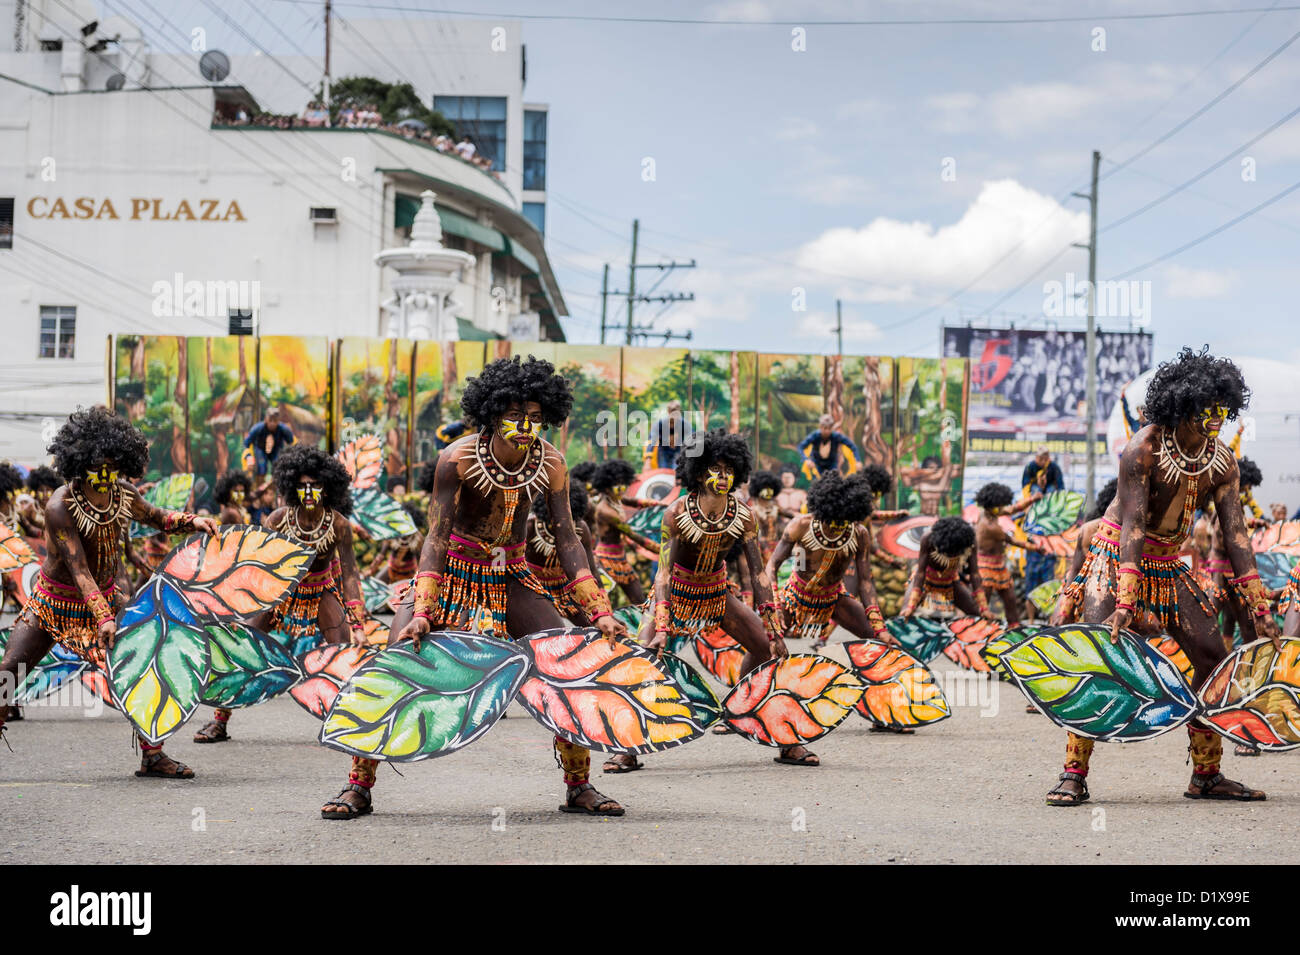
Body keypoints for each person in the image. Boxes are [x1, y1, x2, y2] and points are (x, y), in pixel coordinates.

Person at [326, 356, 626, 820]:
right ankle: (357, 786)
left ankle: (579, 786)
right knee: (394, 664)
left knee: (567, 669)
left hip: (513, 578)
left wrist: (598, 608)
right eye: (513, 415)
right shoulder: (458, 459)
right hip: (452, 576)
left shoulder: (551, 463)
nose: (526, 426)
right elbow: (437, 538)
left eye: (534, 416)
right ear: (490, 413)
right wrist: (423, 607)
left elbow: (567, 538)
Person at [1045, 348, 1278, 808]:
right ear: (1181, 405)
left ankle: (1206, 774)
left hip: (1170, 566)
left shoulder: (1222, 464)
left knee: (1213, 657)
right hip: (1117, 559)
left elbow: (1236, 537)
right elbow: (1132, 525)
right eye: (1205, 408)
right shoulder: (1143, 449)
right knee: (1100, 656)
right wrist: (1126, 600)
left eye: (1222, 409)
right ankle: (1073, 774)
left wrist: (1260, 606)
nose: (1215, 418)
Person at [0, 407, 217, 776]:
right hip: (53, 605)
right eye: (98, 466)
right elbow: (79, 569)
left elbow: (155, 516)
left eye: (112, 467)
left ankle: (153, 754)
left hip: (105, 599)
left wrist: (192, 521)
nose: (105, 475)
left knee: (143, 669)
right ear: (79, 463)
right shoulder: (60, 506)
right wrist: (104, 617)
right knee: (9, 672)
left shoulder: (123, 494)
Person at [618, 428, 815, 768]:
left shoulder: (743, 515)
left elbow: (758, 573)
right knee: (641, 661)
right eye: (714, 468)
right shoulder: (676, 514)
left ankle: (779, 735)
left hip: (717, 593)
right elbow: (663, 574)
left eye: (728, 469)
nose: (722, 476)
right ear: (697, 471)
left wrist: (773, 625)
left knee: (768, 650)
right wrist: (662, 625)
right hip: (676, 593)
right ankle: (628, 749)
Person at [194, 447, 367, 745]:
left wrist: (359, 621)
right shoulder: (276, 520)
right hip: (281, 592)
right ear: (291, 487)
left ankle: (347, 722)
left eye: (315, 485)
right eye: (302, 485)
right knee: (242, 647)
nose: (309, 491)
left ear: (328, 488)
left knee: (343, 652)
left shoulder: (338, 524)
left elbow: (350, 575)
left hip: (319, 590)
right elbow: (259, 567)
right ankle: (219, 720)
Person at [766, 471, 893, 651]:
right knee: (763, 643)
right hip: (794, 596)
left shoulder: (859, 534)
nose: (838, 527)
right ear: (824, 510)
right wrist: (774, 606)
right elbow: (772, 566)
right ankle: (744, 679)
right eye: (833, 521)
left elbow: (865, 581)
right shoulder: (801, 525)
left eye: (844, 522)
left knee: (881, 642)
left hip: (834, 598)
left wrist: (879, 627)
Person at [525, 482, 602, 624]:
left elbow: (591, 569)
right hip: (533, 586)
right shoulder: (530, 526)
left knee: (590, 626)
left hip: (566, 590)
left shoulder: (580, 528)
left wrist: (603, 608)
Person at [972, 483, 1045, 625]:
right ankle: (978, 630)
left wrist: (1032, 499)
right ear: (991, 505)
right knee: (982, 605)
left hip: (999, 566)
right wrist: (1035, 548)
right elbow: (1012, 540)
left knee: (1010, 600)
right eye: (999, 506)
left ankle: (1014, 629)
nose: (1001, 509)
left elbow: (1013, 508)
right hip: (984, 567)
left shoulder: (990, 512)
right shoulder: (989, 525)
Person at [590, 459, 657, 605]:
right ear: (606, 487)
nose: (621, 488)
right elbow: (632, 534)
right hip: (605, 561)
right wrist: (659, 550)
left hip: (621, 559)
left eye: (623, 483)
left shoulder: (617, 499)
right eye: (616, 484)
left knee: (639, 601)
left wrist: (659, 504)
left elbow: (634, 502)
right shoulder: (605, 510)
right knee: (604, 603)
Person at [900, 516, 989, 619]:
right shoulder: (928, 538)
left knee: (979, 615)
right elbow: (921, 573)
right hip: (926, 579)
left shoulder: (969, 541)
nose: (952, 557)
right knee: (904, 615)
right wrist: (911, 606)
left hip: (950, 581)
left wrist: (984, 608)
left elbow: (974, 574)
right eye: (949, 554)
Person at [746, 469, 795, 564]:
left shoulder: (775, 507)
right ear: (758, 489)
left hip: (776, 544)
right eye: (765, 487)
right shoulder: (754, 510)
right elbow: (757, 534)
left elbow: (792, 516)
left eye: (770, 487)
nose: (768, 491)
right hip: (761, 547)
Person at [798, 414, 861, 480]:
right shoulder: (815, 436)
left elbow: (852, 446)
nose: (827, 431)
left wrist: (858, 461)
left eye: (829, 428)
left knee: (833, 483)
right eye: (825, 428)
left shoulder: (836, 436)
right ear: (820, 427)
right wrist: (806, 459)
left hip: (832, 465)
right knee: (817, 485)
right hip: (817, 465)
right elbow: (801, 447)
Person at [643, 399, 694, 471]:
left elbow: (692, 441)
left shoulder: (685, 424)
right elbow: (651, 441)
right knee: (664, 472)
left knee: (677, 472)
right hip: (663, 452)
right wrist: (647, 462)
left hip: (678, 451)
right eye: (672, 411)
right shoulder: (660, 424)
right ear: (668, 411)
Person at [243, 408, 296, 476]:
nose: (272, 423)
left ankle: (276, 483)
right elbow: (246, 444)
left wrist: (290, 457)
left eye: (275, 421)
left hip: (276, 449)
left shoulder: (284, 430)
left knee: (278, 466)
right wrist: (248, 457)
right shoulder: (257, 429)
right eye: (270, 420)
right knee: (262, 467)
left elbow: (292, 443)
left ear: (278, 421)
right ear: (265, 419)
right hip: (260, 449)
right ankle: (260, 483)